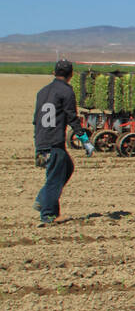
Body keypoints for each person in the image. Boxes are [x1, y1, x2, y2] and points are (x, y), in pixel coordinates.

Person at [33, 59, 92, 226]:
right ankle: (48, 215)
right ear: (71, 75)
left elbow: (35, 119)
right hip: (54, 142)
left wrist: (38, 143)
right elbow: (72, 118)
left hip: (42, 139)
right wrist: (85, 140)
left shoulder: (42, 91)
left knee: (67, 167)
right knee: (54, 178)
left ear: (54, 73)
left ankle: (42, 199)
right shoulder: (66, 92)